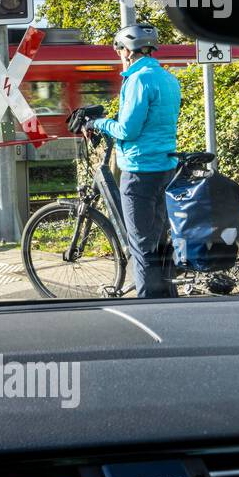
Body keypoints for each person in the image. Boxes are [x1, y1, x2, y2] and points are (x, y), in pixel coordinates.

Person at [83, 23, 182, 299]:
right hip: (166, 168)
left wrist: (99, 123)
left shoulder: (137, 80)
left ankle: (148, 306)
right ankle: (167, 298)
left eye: (119, 50)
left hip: (140, 171)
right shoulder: (168, 78)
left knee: (140, 244)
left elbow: (128, 130)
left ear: (127, 51)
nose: (119, 56)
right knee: (158, 241)